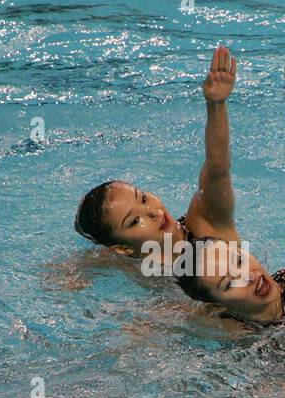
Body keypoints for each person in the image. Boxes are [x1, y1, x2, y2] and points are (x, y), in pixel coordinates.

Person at [174, 62, 285, 323]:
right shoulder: (219, 326)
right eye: (229, 283)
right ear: (217, 307)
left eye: (239, 260)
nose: (248, 276)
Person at [73, 47, 242, 273]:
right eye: (134, 221)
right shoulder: (132, 267)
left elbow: (217, 168)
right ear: (122, 249)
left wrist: (216, 104)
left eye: (143, 198)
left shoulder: (207, 224)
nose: (153, 212)